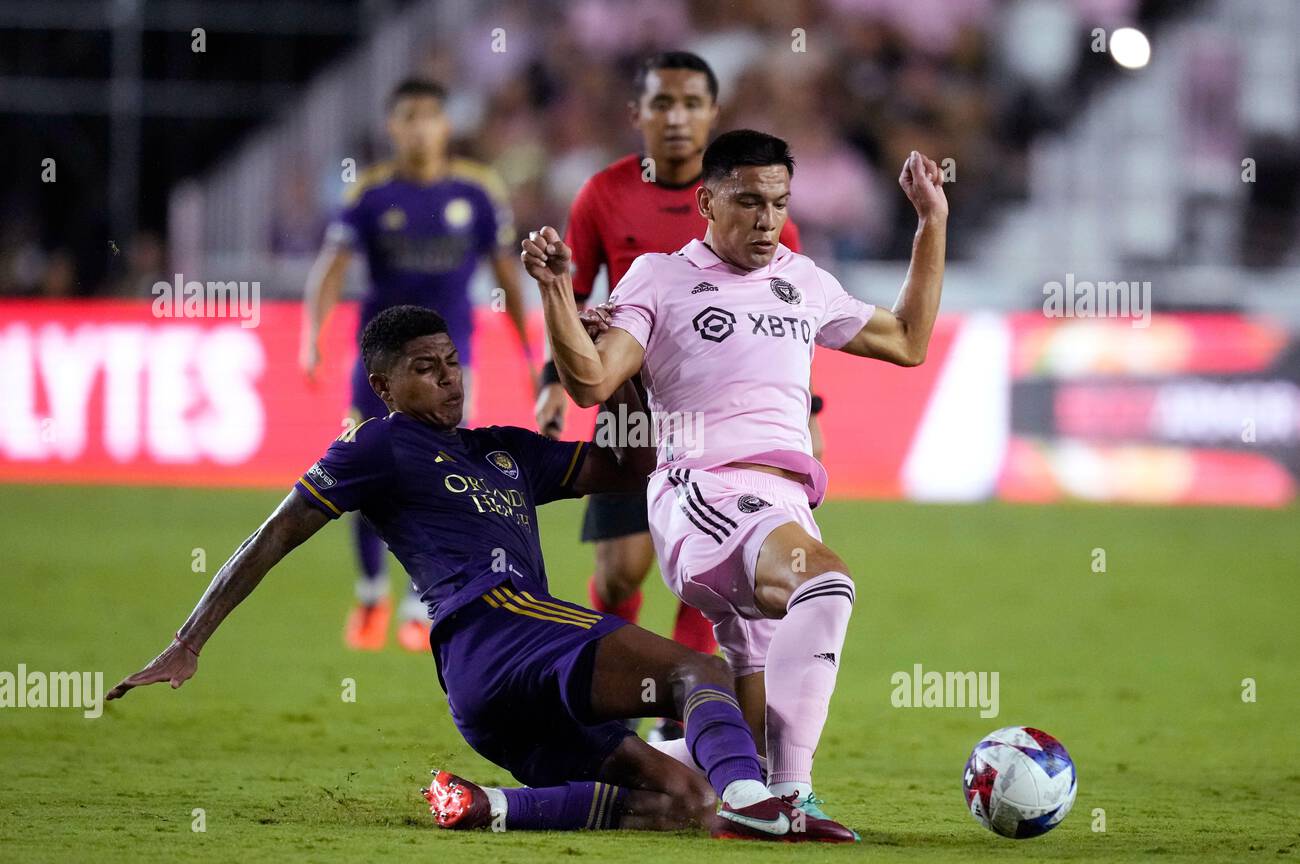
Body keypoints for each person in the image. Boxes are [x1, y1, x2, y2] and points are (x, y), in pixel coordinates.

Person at [107, 305, 855, 842]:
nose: (447, 380)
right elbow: (275, 534)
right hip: (498, 626)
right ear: (383, 384)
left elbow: (629, 466)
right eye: (424, 370)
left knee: (688, 800)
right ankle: (763, 798)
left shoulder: (502, 449)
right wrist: (189, 639)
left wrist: (613, 371)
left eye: (452, 363)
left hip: (485, 693)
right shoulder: (376, 448)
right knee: (703, 673)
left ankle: (484, 806)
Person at [522, 129, 947, 822]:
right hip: (706, 492)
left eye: (779, 203)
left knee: (737, 756)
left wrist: (932, 223)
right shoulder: (659, 277)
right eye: (748, 202)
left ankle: (552, 788)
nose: (767, 220)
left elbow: (907, 340)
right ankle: (796, 796)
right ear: (706, 200)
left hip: (783, 505)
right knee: (827, 583)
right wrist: (555, 296)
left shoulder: (800, 280)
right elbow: (593, 380)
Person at [534, 54, 816, 746]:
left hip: (727, 424)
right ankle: (625, 678)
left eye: (692, 102)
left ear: (713, 115)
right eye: (663, 103)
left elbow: (790, 332)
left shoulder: (765, 213)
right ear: (638, 115)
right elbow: (570, 295)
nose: (678, 117)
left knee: (711, 574)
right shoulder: (602, 193)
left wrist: (813, 419)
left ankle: (675, 703)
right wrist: (551, 381)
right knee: (622, 568)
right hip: (632, 404)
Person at [301, 77, 534, 653]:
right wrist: (313, 335)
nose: (420, 127)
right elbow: (331, 267)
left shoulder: (477, 191)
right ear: (393, 127)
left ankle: (416, 601)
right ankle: (371, 591)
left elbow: (506, 270)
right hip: (378, 361)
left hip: (452, 361)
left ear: (445, 125)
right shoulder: (372, 194)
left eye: (430, 115)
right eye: (408, 117)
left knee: (438, 476)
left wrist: (531, 348)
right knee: (362, 465)